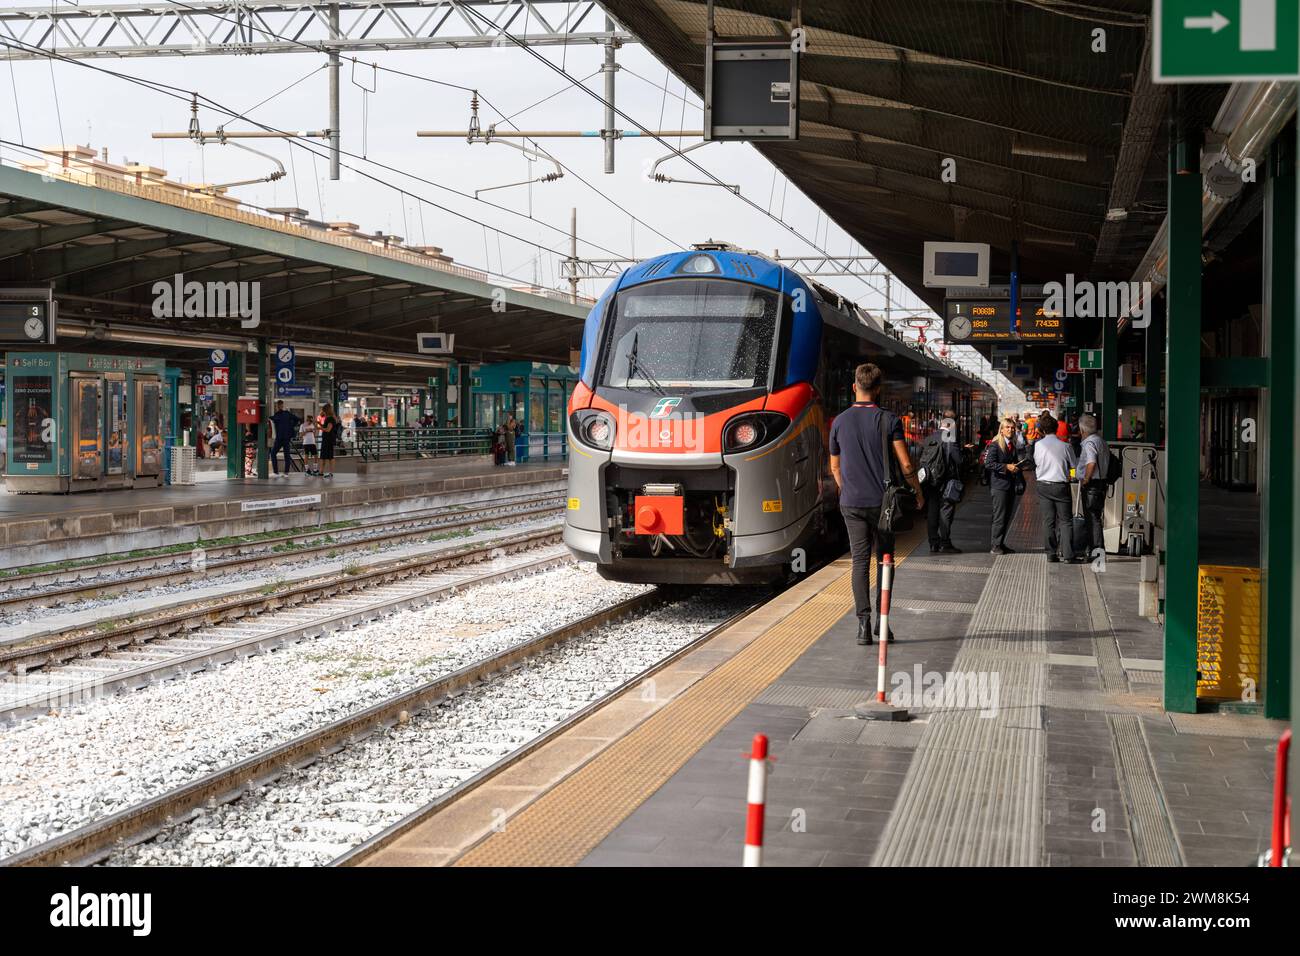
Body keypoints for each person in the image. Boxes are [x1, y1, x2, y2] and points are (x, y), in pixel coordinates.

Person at [829, 363, 925, 646]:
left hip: (852, 502)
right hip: (883, 504)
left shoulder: (839, 421)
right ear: (879, 389)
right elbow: (906, 463)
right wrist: (917, 492)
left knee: (859, 562)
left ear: (854, 387)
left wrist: (846, 490)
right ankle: (883, 623)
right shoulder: (889, 420)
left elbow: (834, 466)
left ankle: (863, 624)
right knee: (885, 560)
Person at [1032, 412, 1079, 563]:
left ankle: (1051, 554)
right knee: (1065, 521)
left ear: (1043, 430)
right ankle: (1068, 555)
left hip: (1043, 486)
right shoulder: (1066, 446)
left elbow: (1036, 463)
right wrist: (1071, 476)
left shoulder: (1038, 445)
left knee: (1048, 521)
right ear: (1057, 428)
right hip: (1060, 487)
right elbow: (1073, 467)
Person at [919, 416, 964, 554]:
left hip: (931, 481)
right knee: (946, 512)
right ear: (951, 426)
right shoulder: (949, 438)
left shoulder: (929, 438)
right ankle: (945, 543)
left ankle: (933, 543)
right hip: (946, 482)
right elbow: (958, 460)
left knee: (932, 511)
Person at [985, 416, 1024, 555]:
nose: (1010, 430)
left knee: (1007, 515)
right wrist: (1006, 467)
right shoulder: (995, 445)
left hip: (1009, 485)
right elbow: (988, 464)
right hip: (999, 486)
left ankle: (1001, 543)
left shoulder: (1011, 444)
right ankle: (995, 545)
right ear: (1001, 430)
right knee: (999, 516)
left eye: (1012, 428)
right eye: (1007, 427)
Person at [1077, 414, 1110, 558]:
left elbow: (1091, 462)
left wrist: (1085, 478)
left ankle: (1096, 551)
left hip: (1092, 485)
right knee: (1096, 517)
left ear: (1082, 429)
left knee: (1092, 518)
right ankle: (1096, 549)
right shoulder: (1101, 441)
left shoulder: (1089, 443)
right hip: (1101, 483)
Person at [269, 401, 300, 478]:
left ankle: (277, 472)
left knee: (274, 453)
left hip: (280, 438)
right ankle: (285, 473)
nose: (279, 406)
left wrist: (290, 426)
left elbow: (273, 419)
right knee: (286, 455)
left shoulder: (278, 415)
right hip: (285, 437)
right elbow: (297, 419)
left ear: (278, 406)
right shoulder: (287, 414)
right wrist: (291, 426)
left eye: (278, 405)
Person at [319, 403, 339, 478]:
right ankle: (322, 471)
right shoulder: (331, 418)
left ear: (326, 411)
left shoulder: (330, 418)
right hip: (329, 439)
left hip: (328, 440)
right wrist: (319, 424)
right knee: (325, 456)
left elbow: (328, 429)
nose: (322, 412)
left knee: (329, 457)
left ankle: (329, 473)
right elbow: (327, 428)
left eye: (323, 411)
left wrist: (319, 428)